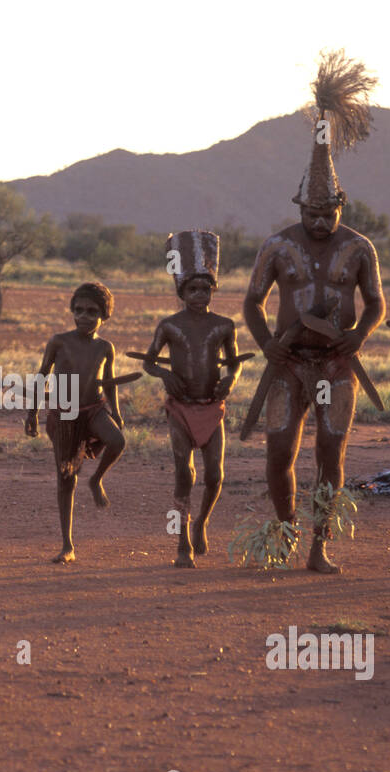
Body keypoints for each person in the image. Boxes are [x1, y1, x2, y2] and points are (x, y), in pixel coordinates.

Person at [240, 51, 384, 573]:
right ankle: (283, 534)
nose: (321, 221)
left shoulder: (359, 247)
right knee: (278, 455)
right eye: (312, 213)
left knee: (331, 455)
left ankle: (319, 548)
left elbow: (377, 303)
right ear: (299, 207)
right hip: (286, 365)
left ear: (341, 208)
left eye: (329, 213)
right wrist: (267, 345)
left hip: (337, 367)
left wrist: (358, 337)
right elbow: (252, 303)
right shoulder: (277, 246)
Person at [140, 231, 241, 567]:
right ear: (181, 292)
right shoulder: (169, 326)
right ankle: (181, 543)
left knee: (216, 476)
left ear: (214, 289)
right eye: (193, 289)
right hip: (180, 410)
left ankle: (202, 522)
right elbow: (149, 362)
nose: (200, 294)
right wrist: (166, 375)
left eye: (206, 288)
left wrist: (231, 380)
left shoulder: (225, 326)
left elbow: (234, 363)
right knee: (185, 474)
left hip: (212, 408)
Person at [25, 283, 126, 564]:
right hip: (64, 413)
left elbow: (109, 383)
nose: (84, 316)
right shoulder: (59, 341)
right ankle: (67, 544)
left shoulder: (105, 347)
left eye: (92, 312)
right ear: (71, 311)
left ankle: (97, 479)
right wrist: (32, 412)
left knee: (118, 440)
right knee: (66, 478)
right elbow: (42, 376)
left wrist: (116, 413)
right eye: (79, 310)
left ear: (104, 316)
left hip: (94, 408)